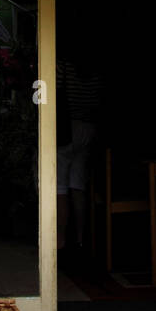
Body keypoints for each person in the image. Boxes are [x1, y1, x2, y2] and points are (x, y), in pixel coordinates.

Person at [56, 52, 102, 256]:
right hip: (88, 128)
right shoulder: (95, 71)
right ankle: (81, 238)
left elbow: (55, 95)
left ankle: (60, 239)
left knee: (60, 186)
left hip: (67, 128)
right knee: (78, 184)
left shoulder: (63, 67)